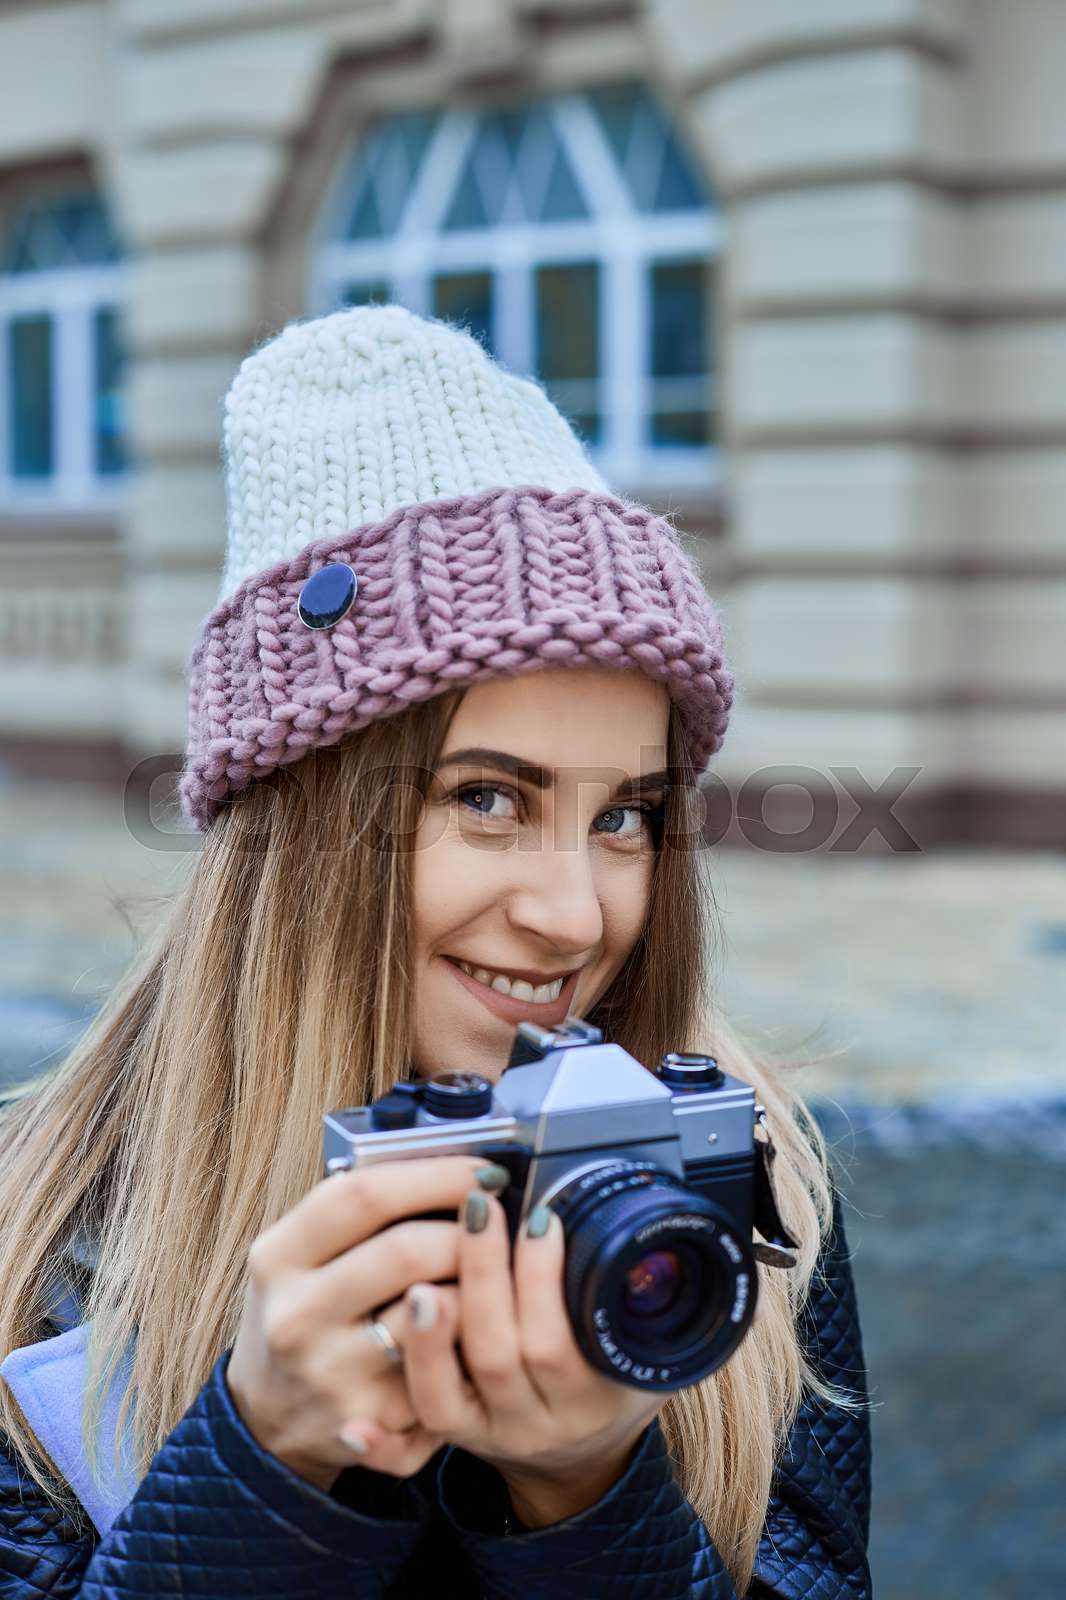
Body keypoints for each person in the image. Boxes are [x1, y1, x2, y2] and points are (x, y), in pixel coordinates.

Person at [0, 304, 871, 1598]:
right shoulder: (38, 1237)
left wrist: (590, 1501)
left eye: (622, 814)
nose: (576, 916)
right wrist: (257, 1472)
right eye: (487, 797)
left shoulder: (750, 1190)